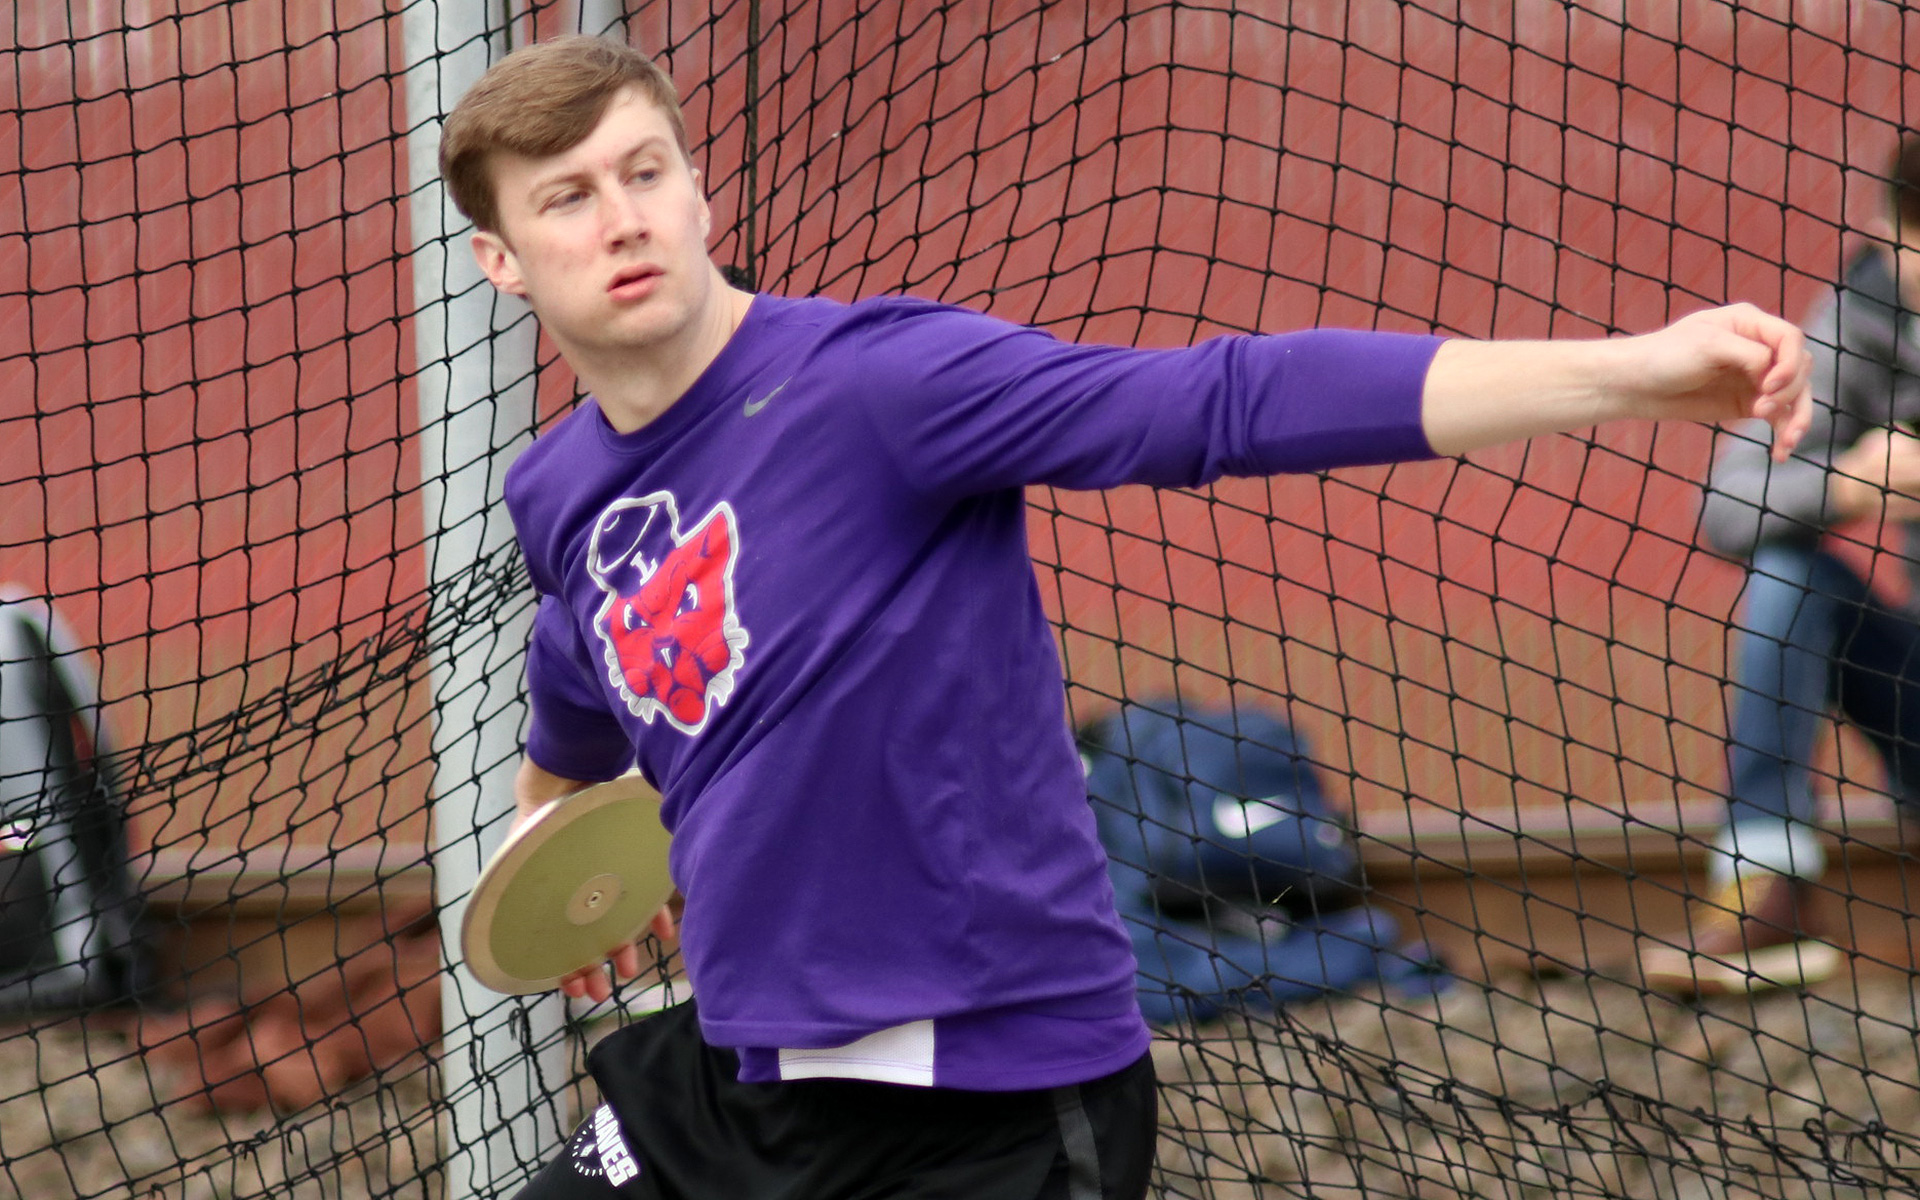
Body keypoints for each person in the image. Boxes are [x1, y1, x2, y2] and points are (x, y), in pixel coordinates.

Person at [439, 35, 1811, 1200]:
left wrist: (1637, 374)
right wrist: (560, 840)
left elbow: (1220, 406)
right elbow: (576, 665)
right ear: (503, 264)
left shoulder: (882, 386)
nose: (623, 218)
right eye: (568, 198)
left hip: (988, 1106)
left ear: (697, 193)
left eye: (645, 173)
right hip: (736, 1085)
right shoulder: (559, 489)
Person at [1640, 133, 1920, 998]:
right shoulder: (1865, 317)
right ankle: (1764, 883)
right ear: (1886, 234)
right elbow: (1728, 505)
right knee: (1790, 577)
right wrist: (1848, 482)